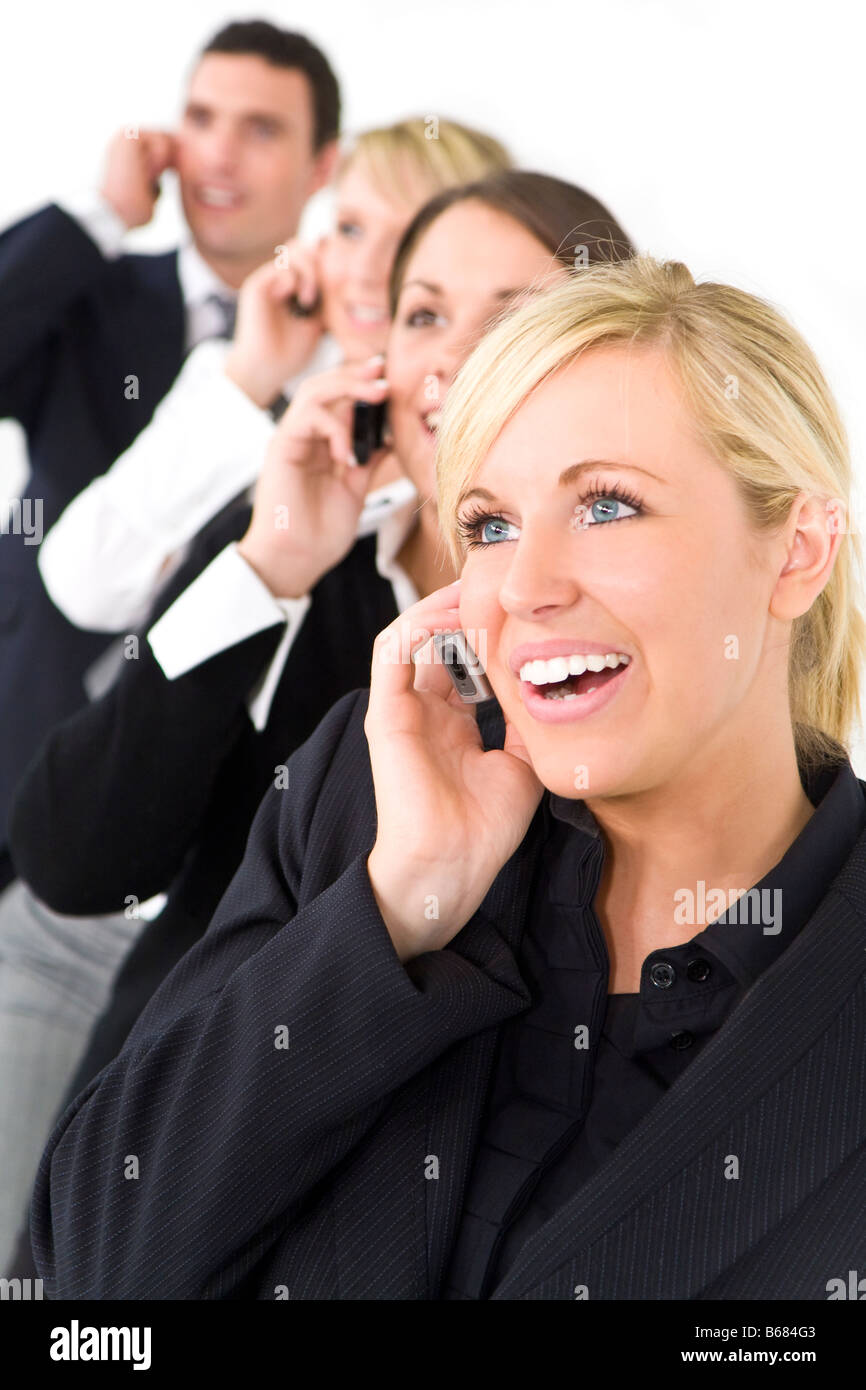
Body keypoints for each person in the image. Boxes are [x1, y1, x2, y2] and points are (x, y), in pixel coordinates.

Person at [30, 254, 866, 1300]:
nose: (523, 585)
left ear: (794, 550)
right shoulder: (367, 792)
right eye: (487, 525)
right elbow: (97, 1275)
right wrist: (397, 907)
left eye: (606, 505)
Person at [7, 173, 633, 1281]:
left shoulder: (609, 632)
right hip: (163, 1181)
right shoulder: (296, 554)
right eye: (425, 313)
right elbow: (75, 858)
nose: (450, 357)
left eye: (511, 316)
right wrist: (267, 565)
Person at [0, 19, 341, 891]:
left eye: (260, 130)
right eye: (201, 119)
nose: (218, 158)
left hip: (217, 839)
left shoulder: (350, 350)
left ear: (322, 166)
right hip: (20, 740)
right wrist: (100, 216)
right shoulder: (91, 291)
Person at [36, 118, 512, 635]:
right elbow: (84, 584)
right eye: (350, 229)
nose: (366, 271)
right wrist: (250, 377)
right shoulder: (246, 376)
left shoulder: (497, 424)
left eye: (410, 239)